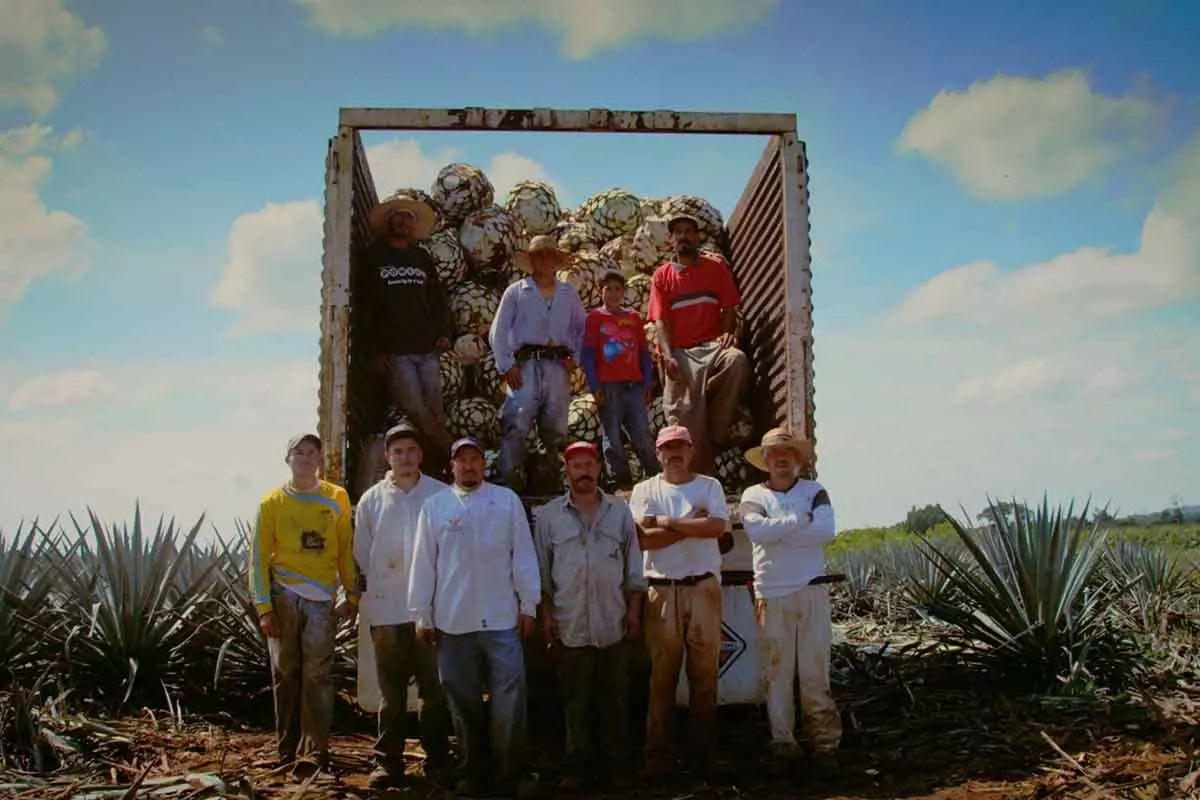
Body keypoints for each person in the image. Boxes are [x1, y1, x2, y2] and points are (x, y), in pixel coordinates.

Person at [408, 437, 542, 797]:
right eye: (461, 460)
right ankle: (471, 770)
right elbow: (424, 565)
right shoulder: (435, 507)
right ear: (451, 466)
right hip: (453, 620)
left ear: (485, 464)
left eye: (474, 459)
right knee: (462, 700)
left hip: (501, 618)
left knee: (510, 699)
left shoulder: (506, 501)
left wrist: (529, 604)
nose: (468, 466)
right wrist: (422, 614)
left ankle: (511, 773)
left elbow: (523, 556)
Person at [533, 441, 647, 791]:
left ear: (599, 468)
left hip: (612, 621)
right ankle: (577, 769)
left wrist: (633, 611)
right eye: (575, 465)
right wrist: (547, 617)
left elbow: (634, 568)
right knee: (575, 701)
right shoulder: (549, 516)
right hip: (570, 624)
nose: (583, 470)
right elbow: (542, 572)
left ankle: (616, 769)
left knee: (614, 699)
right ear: (566, 471)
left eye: (589, 464)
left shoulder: (619, 512)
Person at [248, 433, 359, 771]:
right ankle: (286, 750)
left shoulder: (336, 497)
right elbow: (256, 560)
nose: (307, 458)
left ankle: (317, 750)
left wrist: (352, 594)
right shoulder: (271, 502)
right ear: (288, 459)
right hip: (284, 595)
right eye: (300, 452)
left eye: (313, 453)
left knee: (318, 676)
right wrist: (264, 608)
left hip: (321, 599)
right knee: (285, 674)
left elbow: (345, 550)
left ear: (321, 459)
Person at [353, 422, 453, 790]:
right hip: (386, 609)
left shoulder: (441, 496)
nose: (405, 458)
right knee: (391, 693)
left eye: (411, 450)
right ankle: (387, 762)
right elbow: (362, 552)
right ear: (387, 457)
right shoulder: (372, 500)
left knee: (432, 690)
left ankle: (437, 760)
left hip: (429, 611)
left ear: (421, 455)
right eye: (397, 452)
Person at [627, 425, 729, 778]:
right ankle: (658, 753)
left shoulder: (709, 486)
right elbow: (643, 541)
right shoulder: (644, 490)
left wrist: (668, 522)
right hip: (661, 590)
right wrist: (690, 524)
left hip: (703, 588)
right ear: (657, 453)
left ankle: (703, 751)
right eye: (667, 448)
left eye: (680, 447)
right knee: (662, 676)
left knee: (704, 674)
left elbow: (717, 528)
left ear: (691, 449)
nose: (674, 453)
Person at [740, 428, 841, 777]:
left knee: (815, 671)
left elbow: (826, 531)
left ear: (798, 459)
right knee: (777, 673)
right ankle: (783, 745)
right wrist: (799, 521)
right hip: (771, 594)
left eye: (789, 453)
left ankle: (825, 746)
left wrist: (778, 530)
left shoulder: (815, 491)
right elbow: (756, 532)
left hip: (811, 590)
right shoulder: (753, 494)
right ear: (765, 460)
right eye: (774, 453)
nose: (782, 459)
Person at [647, 213, 750, 476]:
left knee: (737, 361)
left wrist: (728, 333)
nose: (684, 236)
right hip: (681, 351)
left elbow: (729, 306)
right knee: (682, 412)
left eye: (689, 231)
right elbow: (661, 322)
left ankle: (715, 433)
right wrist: (668, 356)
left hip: (713, 346)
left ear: (697, 237)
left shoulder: (715, 268)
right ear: (671, 239)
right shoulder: (662, 276)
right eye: (678, 232)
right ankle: (697, 477)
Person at [365, 190, 455, 476]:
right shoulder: (373, 258)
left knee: (435, 413)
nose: (403, 222)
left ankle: (434, 469)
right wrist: (375, 350)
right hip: (396, 352)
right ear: (389, 223)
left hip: (426, 349)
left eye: (408, 218)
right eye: (398, 217)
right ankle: (455, 453)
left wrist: (442, 332)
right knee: (416, 410)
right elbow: (365, 309)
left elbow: (438, 300)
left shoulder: (422, 258)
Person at [489, 234, 587, 493]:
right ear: (531, 261)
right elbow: (498, 331)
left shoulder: (568, 294)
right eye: (539, 256)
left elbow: (581, 329)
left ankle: (549, 483)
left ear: (556, 261)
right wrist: (507, 366)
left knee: (555, 427)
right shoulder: (517, 292)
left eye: (549, 256)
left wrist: (574, 358)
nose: (544, 261)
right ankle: (508, 482)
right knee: (516, 422)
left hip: (557, 366)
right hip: (525, 366)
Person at [580, 268, 660, 491]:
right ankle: (620, 479)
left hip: (634, 385)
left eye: (618, 289)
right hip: (608, 386)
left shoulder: (633, 317)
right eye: (608, 289)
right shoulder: (594, 319)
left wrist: (647, 382)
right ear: (600, 291)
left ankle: (654, 473)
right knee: (612, 434)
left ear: (624, 292)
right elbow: (587, 355)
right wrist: (594, 385)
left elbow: (644, 352)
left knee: (642, 432)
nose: (613, 294)